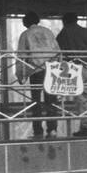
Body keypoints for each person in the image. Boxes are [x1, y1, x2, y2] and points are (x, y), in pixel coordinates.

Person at [16, 11, 61, 139]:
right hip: (51, 69)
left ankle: (38, 131)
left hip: (36, 70)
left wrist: (20, 74)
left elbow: (21, 56)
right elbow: (57, 50)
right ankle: (52, 130)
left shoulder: (25, 34)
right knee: (51, 100)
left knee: (36, 101)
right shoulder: (48, 32)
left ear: (26, 22)